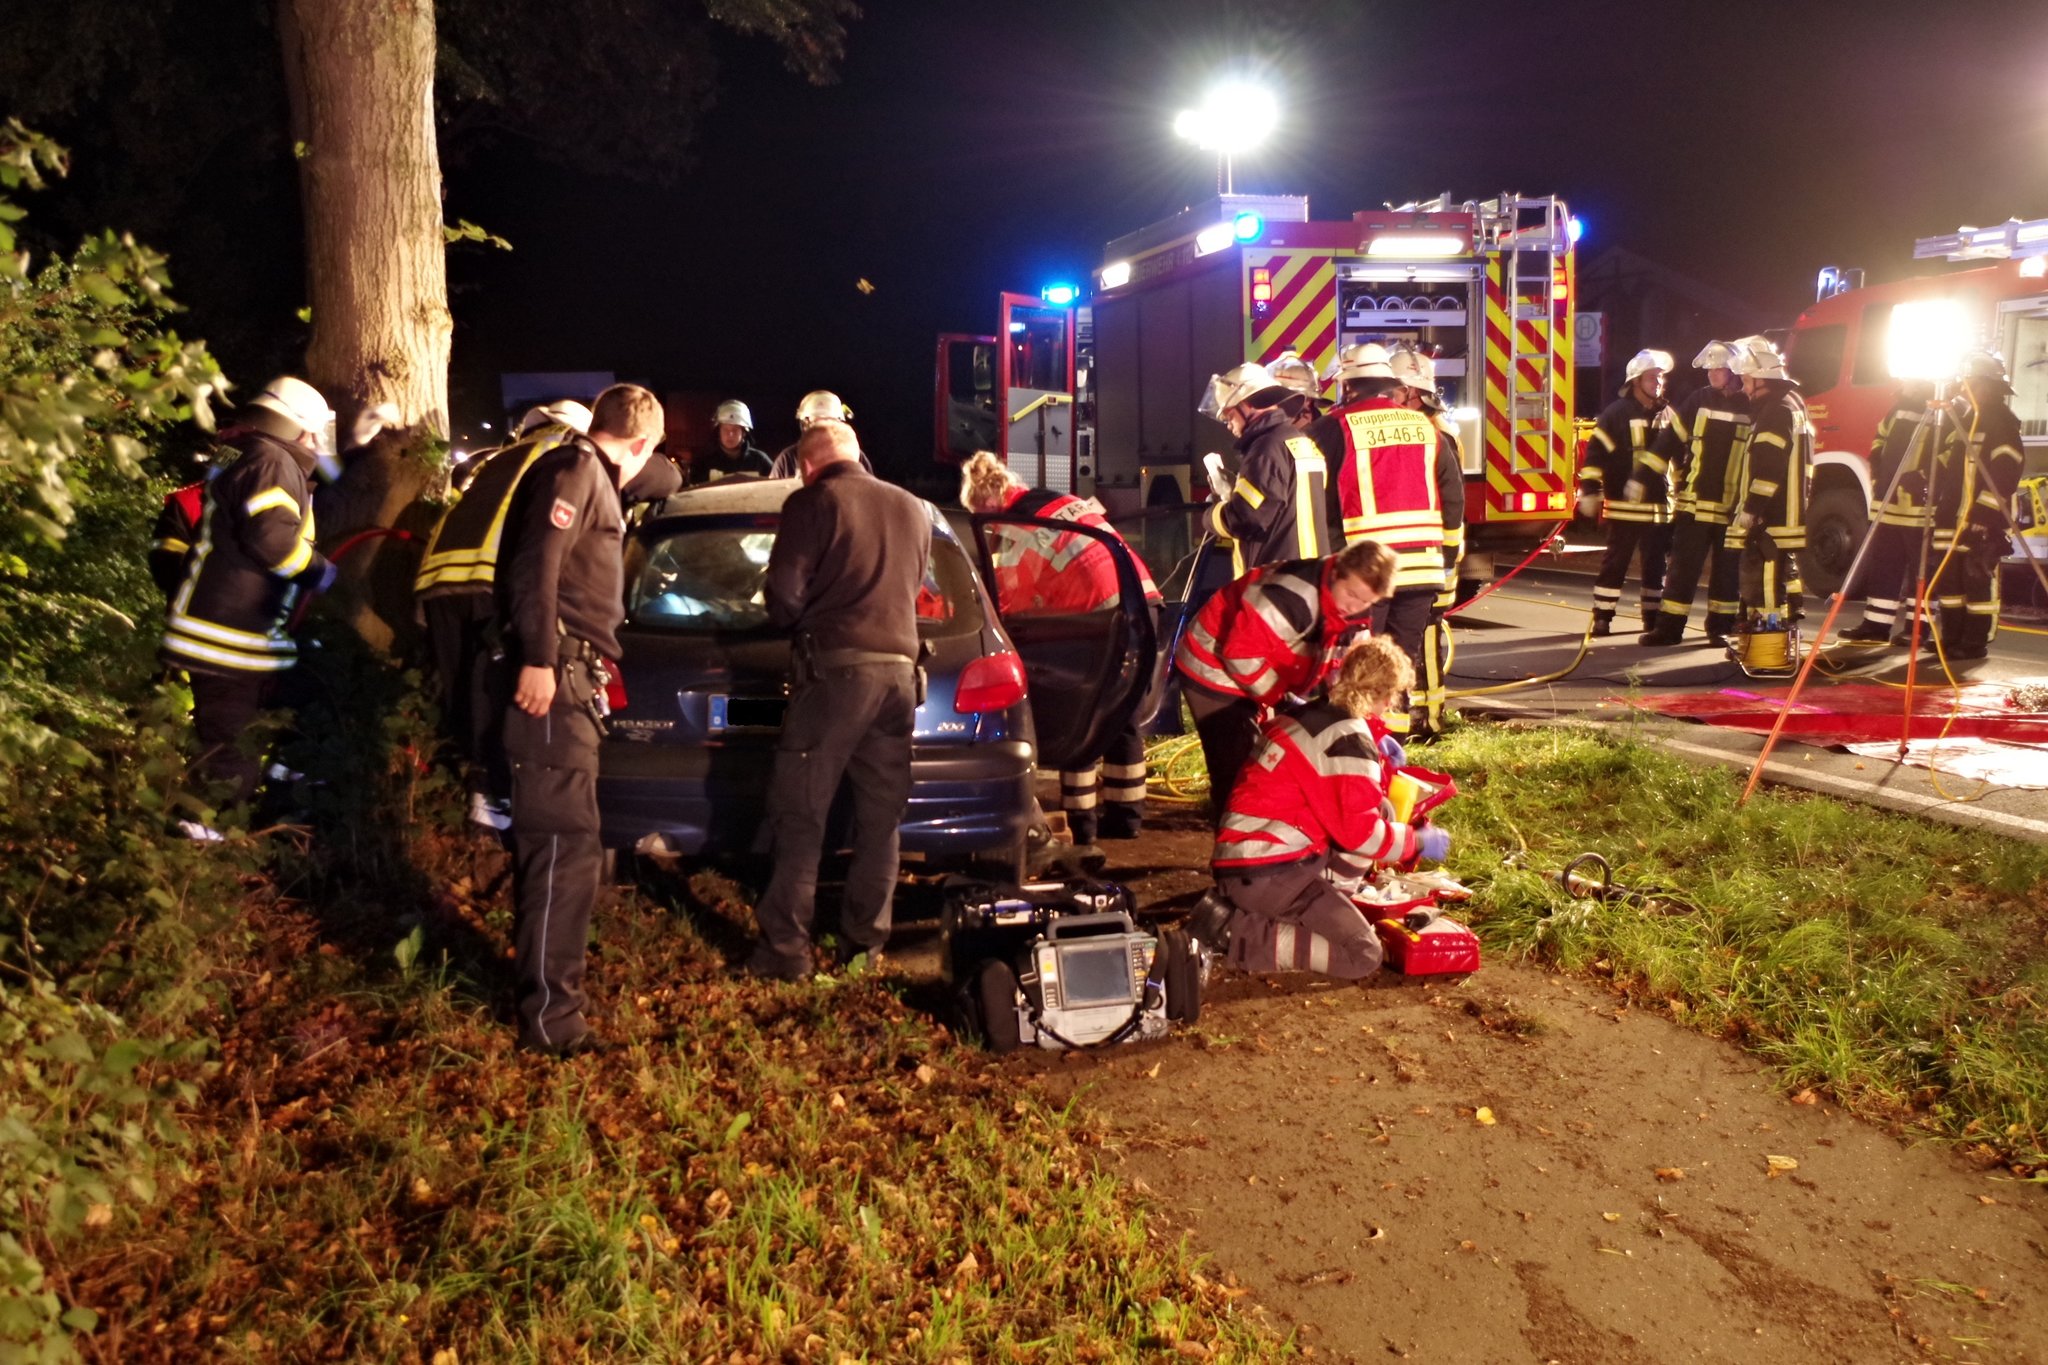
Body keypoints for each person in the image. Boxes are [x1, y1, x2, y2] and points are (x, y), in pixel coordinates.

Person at [493, 383, 663, 1055]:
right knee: (561, 846)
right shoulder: (576, 471)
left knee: (571, 844)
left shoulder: (586, 473)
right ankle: (549, 1021)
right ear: (641, 444)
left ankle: (555, 1008)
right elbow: (538, 570)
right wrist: (539, 657)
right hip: (553, 679)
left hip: (571, 678)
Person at [416, 400, 677, 830]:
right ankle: (496, 803)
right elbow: (663, 476)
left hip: (438, 580)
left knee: (464, 698)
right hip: (492, 583)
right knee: (500, 698)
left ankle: (472, 797)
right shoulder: (574, 457)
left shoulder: (508, 453)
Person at [747, 421, 933, 981]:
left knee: (801, 817)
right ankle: (863, 952)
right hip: (900, 680)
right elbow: (915, 585)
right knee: (881, 825)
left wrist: (786, 615)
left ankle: (784, 955)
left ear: (807, 464)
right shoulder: (913, 508)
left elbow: (784, 596)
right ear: (858, 454)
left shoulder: (813, 501)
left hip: (834, 678)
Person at [1191, 636, 1451, 980]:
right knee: (1362, 954)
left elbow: (1339, 791)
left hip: (1252, 858)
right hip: (1270, 870)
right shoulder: (1348, 740)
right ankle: (1235, 934)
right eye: (1391, 695)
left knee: (1383, 810)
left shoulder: (1311, 714)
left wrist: (1373, 744)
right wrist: (1417, 840)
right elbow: (1362, 836)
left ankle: (1301, 908)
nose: (1391, 705)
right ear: (1382, 693)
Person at [160, 376, 341, 833]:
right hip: (227, 636)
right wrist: (320, 571)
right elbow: (272, 539)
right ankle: (201, 841)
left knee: (274, 717)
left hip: (234, 632)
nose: (321, 445)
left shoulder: (252, 453)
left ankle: (261, 808)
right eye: (318, 433)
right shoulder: (272, 460)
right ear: (299, 427)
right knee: (230, 749)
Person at [960, 450, 1161, 842]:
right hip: (1144, 603)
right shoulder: (1058, 500)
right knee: (1121, 715)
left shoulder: (1016, 529)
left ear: (988, 505)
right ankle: (1126, 819)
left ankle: (1081, 823)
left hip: (1102, 617)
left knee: (1081, 713)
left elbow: (1007, 604)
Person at [1174, 539, 1396, 811]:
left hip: (1259, 670)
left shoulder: (1354, 603)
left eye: (1366, 601)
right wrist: (1284, 702)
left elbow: (1345, 671)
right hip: (1212, 664)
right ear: (1337, 573)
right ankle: (1237, 834)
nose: (1355, 606)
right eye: (1352, 594)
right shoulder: (1291, 595)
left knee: (1263, 759)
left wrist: (1365, 727)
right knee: (1237, 764)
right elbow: (1241, 656)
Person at [1315, 345, 1464, 736]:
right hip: (1424, 569)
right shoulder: (1428, 430)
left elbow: (1318, 500)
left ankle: (1358, 743)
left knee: (1360, 659)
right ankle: (1393, 743)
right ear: (1389, 385)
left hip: (1367, 574)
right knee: (1400, 659)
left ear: (1348, 387)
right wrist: (1446, 558)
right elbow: (1453, 500)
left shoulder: (1334, 427)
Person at [1640, 342, 1752, 646]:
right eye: (1710, 369)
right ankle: (1669, 629)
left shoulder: (1750, 406)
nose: (1712, 374)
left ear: (1734, 372)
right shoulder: (1698, 400)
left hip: (1732, 508)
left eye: (1718, 369)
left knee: (1727, 573)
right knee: (1682, 569)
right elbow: (1669, 439)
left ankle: (1721, 628)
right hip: (1695, 502)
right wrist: (1643, 476)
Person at [1924, 351, 2024, 660]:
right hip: (1950, 517)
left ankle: (1974, 642)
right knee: (1949, 580)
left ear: (1987, 386)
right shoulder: (1964, 420)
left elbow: (2006, 469)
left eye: (1970, 383)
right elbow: (1946, 463)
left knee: (1976, 579)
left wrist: (1984, 513)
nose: (1965, 388)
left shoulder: (2002, 422)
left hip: (1979, 518)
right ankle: (1950, 636)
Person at [1199, 361, 1329, 577]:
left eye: (1230, 416)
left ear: (1247, 405)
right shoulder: (1300, 441)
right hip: (1309, 573)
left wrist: (1211, 513)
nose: (1229, 426)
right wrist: (1236, 492)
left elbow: (1248, 519)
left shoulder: (1266, 448)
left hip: (1276, 578)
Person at [1834, 380, 1938, 645]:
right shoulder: (1899, 407)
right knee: (1883, 567)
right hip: (1888, 504)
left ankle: (1919, 630)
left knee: (1922, 571)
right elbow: (1881, 434)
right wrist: (1877, 458)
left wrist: (1923, 478)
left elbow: (1948, 455)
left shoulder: (1943, 409)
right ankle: (1876, 625)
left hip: (1919, 508)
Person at [1579, 349, 1674, 636]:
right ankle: (1603, 616)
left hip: (1659, 507)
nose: (1658, 383)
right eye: (1651, 377)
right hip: (1624, 507)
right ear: (1635, 380)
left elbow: (1680, 459)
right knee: (1615, 563)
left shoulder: (1668, 414)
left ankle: (1652, 618)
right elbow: (1595, 456)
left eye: (1661, 377)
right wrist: (1591, 490)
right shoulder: (1616, 414)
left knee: (1656, 567)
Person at [1725, 337, 1810, 632]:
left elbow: (1769, 468)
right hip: (1784, 511)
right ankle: (1776, 628)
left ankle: (1768, 633)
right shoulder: (1788, 405)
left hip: (1772, 514)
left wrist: (1752, 508)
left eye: (1747, 381)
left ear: (1763, 380)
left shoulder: (1775, 412)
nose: (1745, 389)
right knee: (1779, 573)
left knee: (1766, 574)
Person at [768, 390, 873, 478]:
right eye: (818, 423)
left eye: (829, 422)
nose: (823, 430)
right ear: (804, 425)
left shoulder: (855, 455)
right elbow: (771, 496)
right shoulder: (787, 459)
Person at [694, 399, 772, 484]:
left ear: (744, 432)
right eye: (725, 429)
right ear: (718, 431)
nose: (730, 434)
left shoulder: (759, 461)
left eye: (735, 430)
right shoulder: (704, 463)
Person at [1267, 349, 1325, 430]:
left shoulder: (1316, 420)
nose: (1308, 403)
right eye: (1307, 398)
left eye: (1309, 398)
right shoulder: (1268, 422)